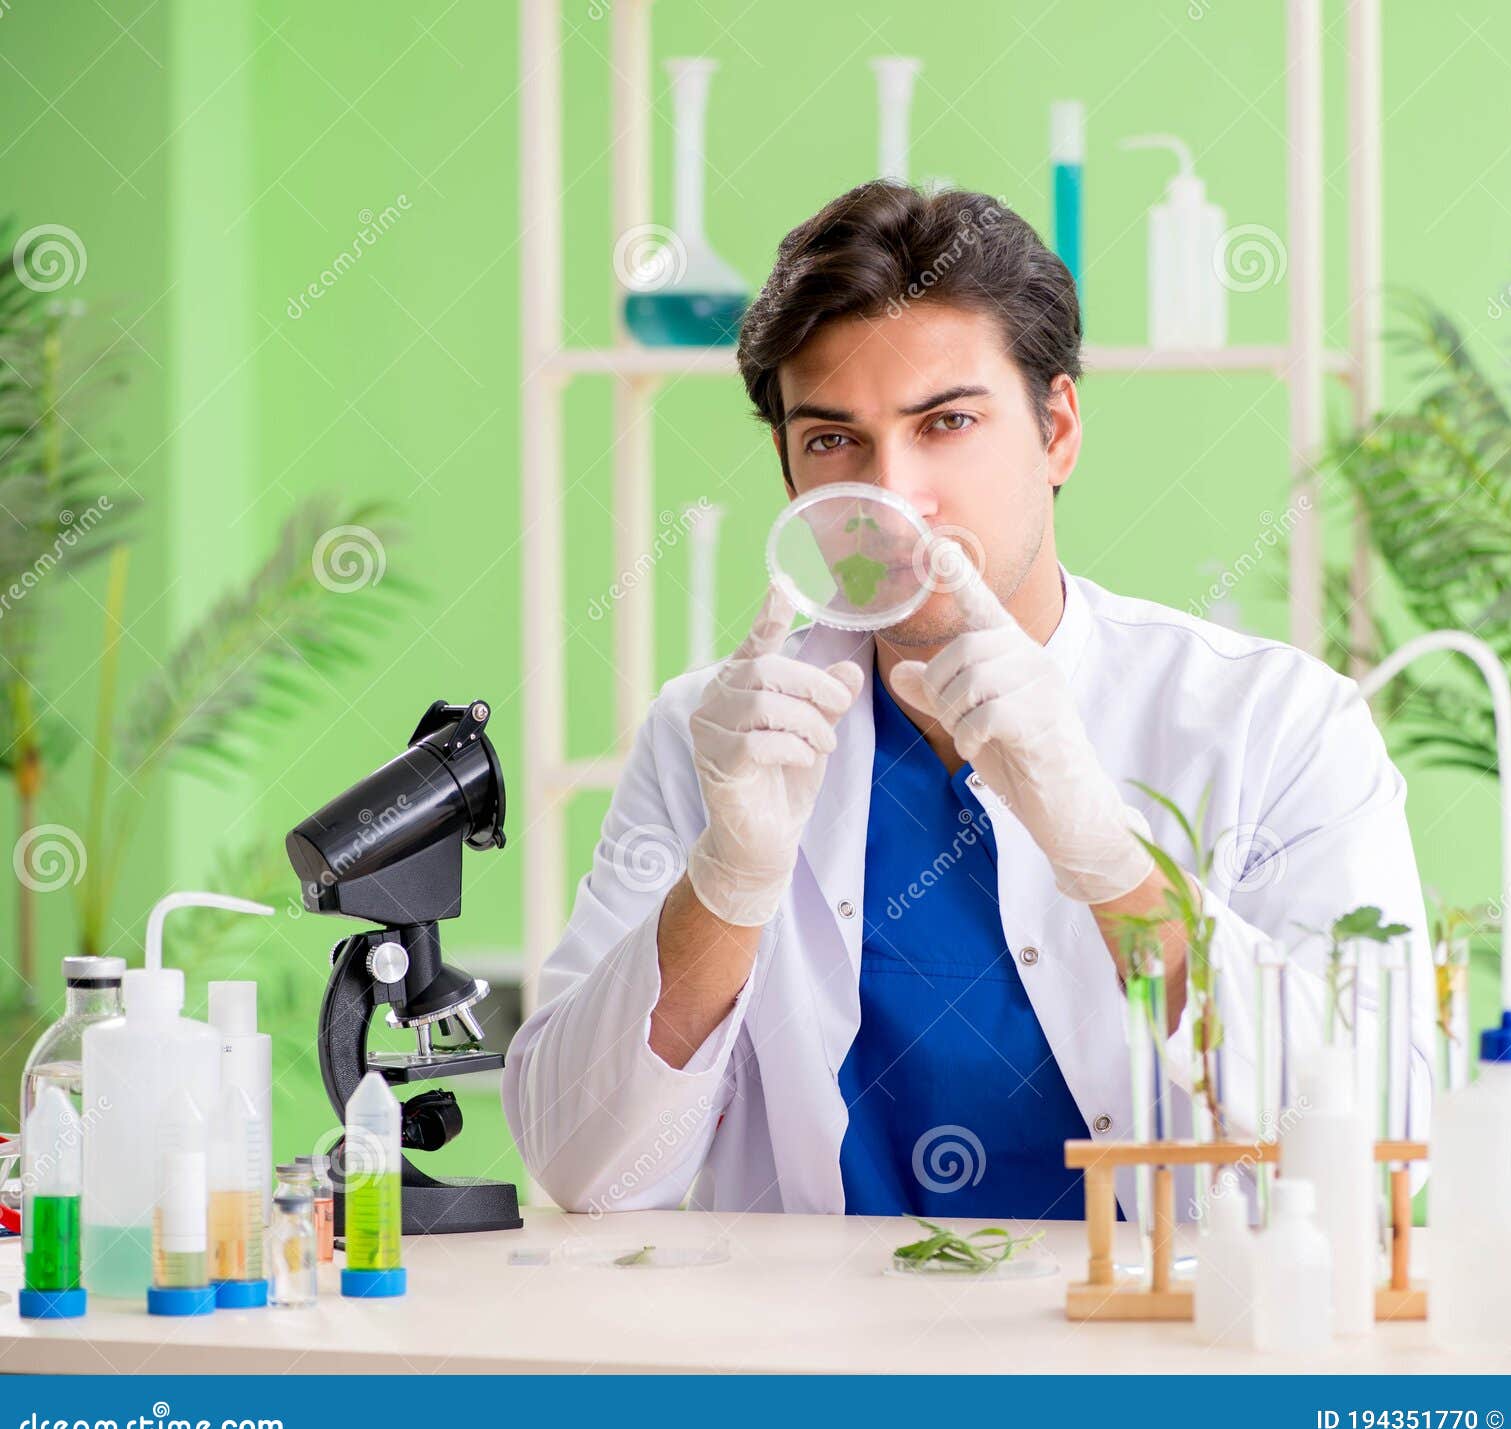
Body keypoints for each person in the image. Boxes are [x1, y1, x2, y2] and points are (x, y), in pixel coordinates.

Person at [502, 181, 1433, 1222]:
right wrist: (728, 878)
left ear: (1057, 430)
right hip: (806, 1328)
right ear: (790, 473)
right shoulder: (716, 738)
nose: (892, 497)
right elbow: (582, 1167)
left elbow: (1382, 1150)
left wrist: (1109, 859)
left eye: (946, 422)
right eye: (833, 439)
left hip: (1149, 1321)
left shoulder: (1277, 723)